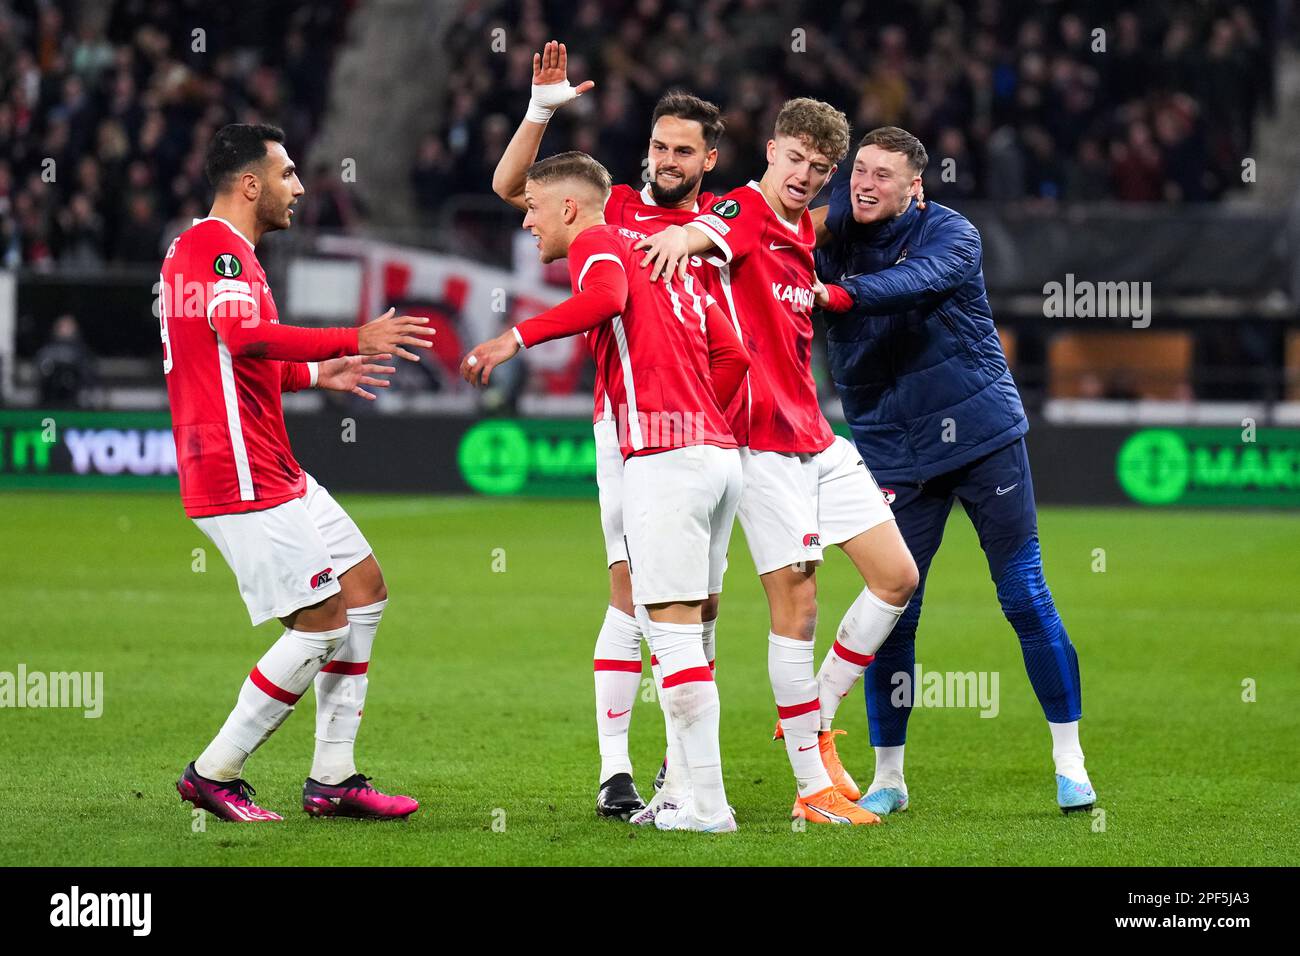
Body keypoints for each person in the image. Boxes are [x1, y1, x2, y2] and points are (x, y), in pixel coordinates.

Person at [637, 99, 919, 825]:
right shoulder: (745, 212)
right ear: (769, 151)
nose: (804, 175)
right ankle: (810, 791)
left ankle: (816, 718)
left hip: (815, 436)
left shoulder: (802, 230)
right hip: (756, 445)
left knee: (896, 578)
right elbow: (709, 228)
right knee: (798, 605)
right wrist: (679, 243)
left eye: (820, 168)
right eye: (794, 159)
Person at [462, 151, 749, 832]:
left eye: (534, 208)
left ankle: (705, 805)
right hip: (717, 454)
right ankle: (681, 792)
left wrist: (515, 337)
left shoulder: (597, 242)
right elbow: (733, 354)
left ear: (567, 207)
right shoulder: (663, 254)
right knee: (695, 625)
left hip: (663, 456)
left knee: (671, 636)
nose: (526, 221)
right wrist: (702, 418)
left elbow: (604, 301)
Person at [813, 126, 1096, 815]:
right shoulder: (829, 231)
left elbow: (916, 282)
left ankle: (1070, 761)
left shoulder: (953, 235)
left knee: (1023, 595)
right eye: (859, 172)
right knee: (893, 613)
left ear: (917, 187)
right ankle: (888, 779)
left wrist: (837, 296)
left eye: (883, 175)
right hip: (892, 453)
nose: (865, 183)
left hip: (979, 437)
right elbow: (762, 235)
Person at [162, 123, 434, 822]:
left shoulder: (222, 253)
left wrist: (319, 370)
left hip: (270, 463)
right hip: (237, 470)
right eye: (286, 174)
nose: (300, 186)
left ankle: (332, 779)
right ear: (250, 184)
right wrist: (355, 334)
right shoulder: (215, 252)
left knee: (364, 590)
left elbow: (242, 361)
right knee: (320, 626)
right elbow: (244, 337)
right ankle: (214, 773)